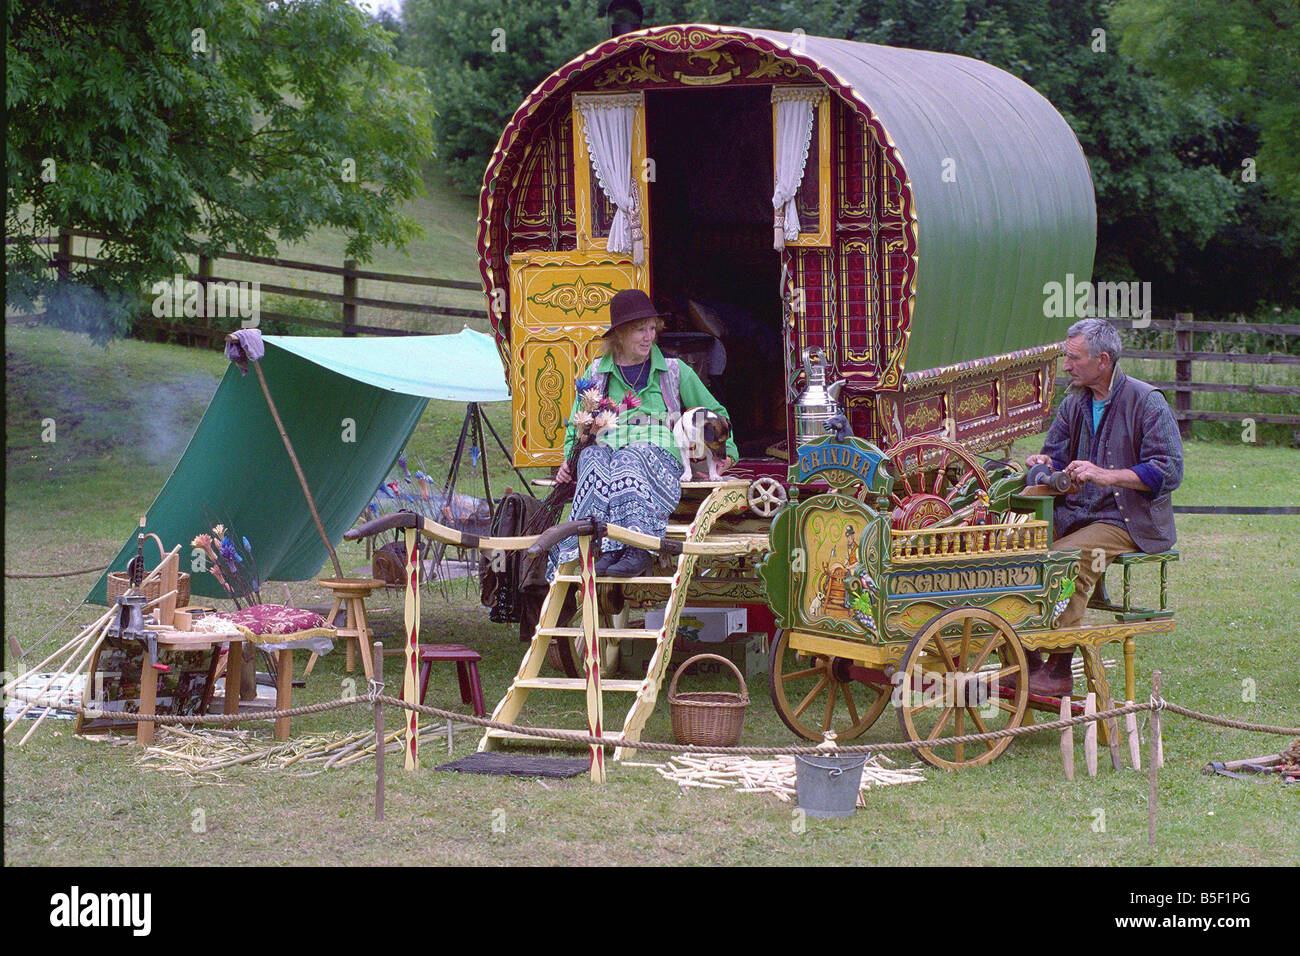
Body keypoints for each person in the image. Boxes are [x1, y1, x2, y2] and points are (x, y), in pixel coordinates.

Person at [1023, 317, 1183, 696]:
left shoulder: (1147, 401)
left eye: (1073, 358)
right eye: (1066, 357)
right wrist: (1043, 466)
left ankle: (1059, 669)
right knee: (1016, 547)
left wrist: (1109, 475)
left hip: (1126, 521)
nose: (1066, 366)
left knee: (1067, 559)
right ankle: (1026, 661)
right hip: (1078, 511)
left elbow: (1170, 470)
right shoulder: (1074, 402)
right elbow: (1055, 456)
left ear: (1103, 360)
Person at [551, 289, 740, 578]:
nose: (648, 336)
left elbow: (716, 414)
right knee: (591, 455)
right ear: (620, 335)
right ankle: (602, 546)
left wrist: (726, 455)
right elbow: (577, 423)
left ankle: (638, 547)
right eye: (640, 330)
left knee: (632, 454)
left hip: (657, 455)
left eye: (652, 328)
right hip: (609, 452)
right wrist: (569, 460)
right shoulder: (597, 374)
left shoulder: (675, 371)